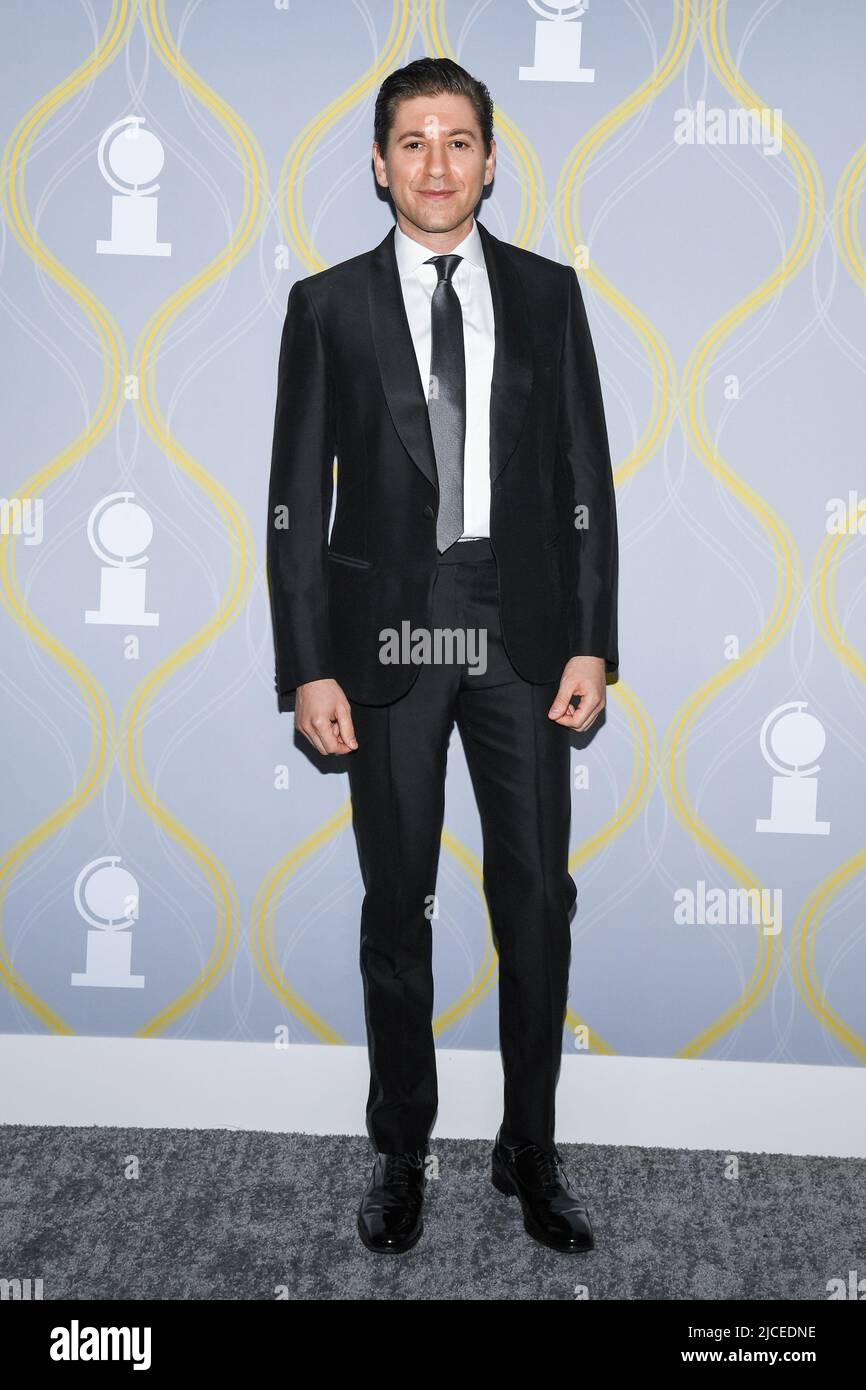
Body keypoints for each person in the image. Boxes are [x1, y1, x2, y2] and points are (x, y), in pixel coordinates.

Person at [266, 56, 619, 1255]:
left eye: (457, 139)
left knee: (536, 901)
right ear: (379, 164)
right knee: (396, 906)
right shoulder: (324, 307)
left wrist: (590, 640)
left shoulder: (548, 294)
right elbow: (290, 503)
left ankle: (529, 1144)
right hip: (385, 641)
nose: (434, 161)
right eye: (410, 140)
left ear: (486, 156)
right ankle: (400, 1146)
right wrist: (306, 664)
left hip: (517, 632)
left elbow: (584, 483)